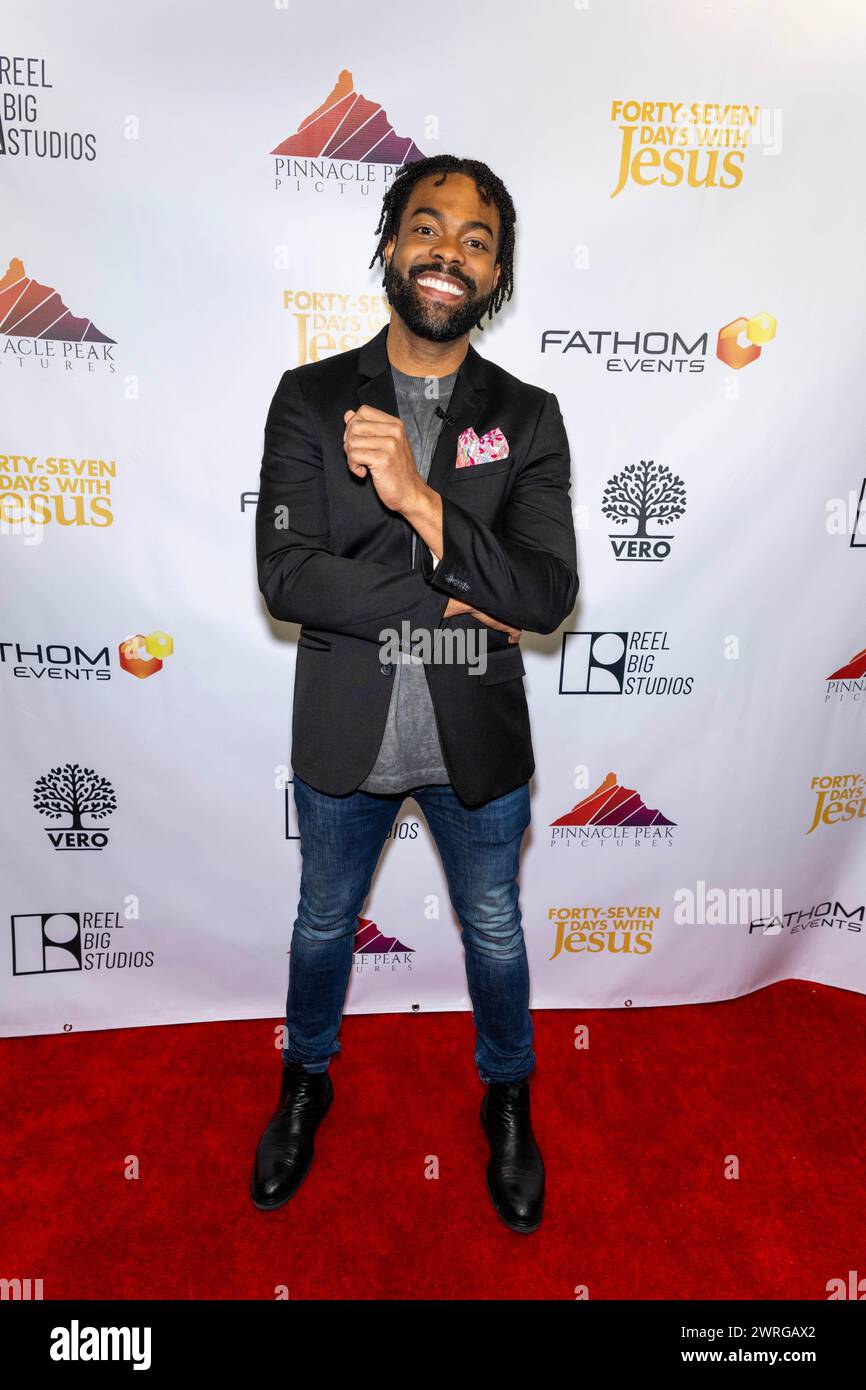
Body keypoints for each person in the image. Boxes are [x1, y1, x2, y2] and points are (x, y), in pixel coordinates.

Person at [252, 154, 579, 1233]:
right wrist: (457, 582)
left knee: (493, 929)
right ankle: (305, 1079)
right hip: (345, 740)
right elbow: (287, 577)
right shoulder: (308, 398)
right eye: (428, 228)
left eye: (476, 241)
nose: (449, 253)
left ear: (495, 276)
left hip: (474, 748)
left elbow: (543, 592)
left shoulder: (527, 418)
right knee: (319, 925)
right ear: (392, 243)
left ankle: (507, 1095)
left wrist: (415, 501)